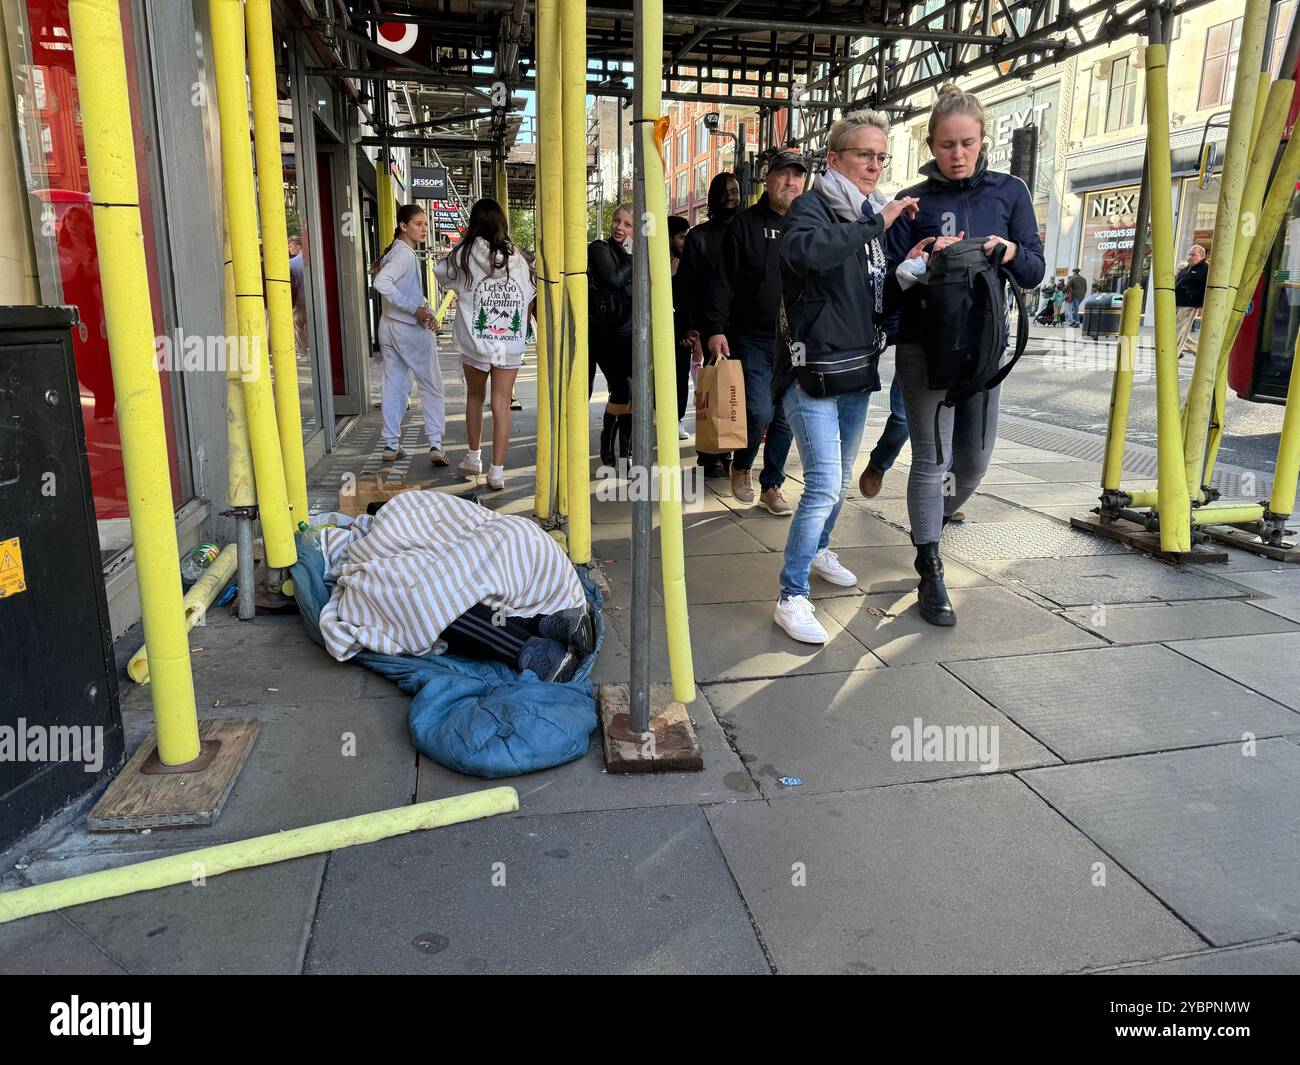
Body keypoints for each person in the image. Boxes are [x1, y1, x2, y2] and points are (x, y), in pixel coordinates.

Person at [886, 83, 1045, 627]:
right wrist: (912, 261)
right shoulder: (913, 200)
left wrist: (1009, 251)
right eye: (947, 144)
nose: (957, 154)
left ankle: (938, 514)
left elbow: (1035, 269)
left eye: (967, 143)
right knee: (931, 459)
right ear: (931, 143)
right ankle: (929, 564)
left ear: (983, 141)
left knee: (972, 461)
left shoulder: (1010, 192)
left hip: (982, 348)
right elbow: (889, 285)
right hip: (923, 345)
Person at [774, 113, 918, 644]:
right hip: (810, 370)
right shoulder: (813, 208)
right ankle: (791, 595)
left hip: (856, 369)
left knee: (836, 485)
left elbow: (871, 294)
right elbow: (804, 253)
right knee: (824, 485)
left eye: (881, 156)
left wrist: (911, 269)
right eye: (864, 155)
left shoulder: (866, 214)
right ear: (833, 160)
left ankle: (818, 550)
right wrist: (877, 224)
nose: (875, 165)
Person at [703, 152, 804, 515]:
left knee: (788, 416)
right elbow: (722, 281)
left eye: (798, 176)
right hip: (752, 336)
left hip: (796, 340)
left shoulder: (808, 224)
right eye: (784, 175)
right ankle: (742, 464)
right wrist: (714, 328)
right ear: (768, 178)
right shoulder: (743, 225)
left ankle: (772, 486)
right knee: (759, 410)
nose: (791, 182)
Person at [434, 197, 535, 491]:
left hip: (475, 344)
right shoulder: (518, 258)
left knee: (475, 398)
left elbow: (440, 273)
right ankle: (497, 471)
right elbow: (529, 293)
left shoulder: (462, 255)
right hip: (509, 344)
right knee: (502, 405)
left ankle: (473, 457)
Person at [370, 204, 448, 465]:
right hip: (407, 328)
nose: (424, 228)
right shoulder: (404, 255)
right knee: (431, 385)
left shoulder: (395, 252)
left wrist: (422, 308)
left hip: (388, 327)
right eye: (418, 223)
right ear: (404, 226)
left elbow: (400, 288)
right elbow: (381, 283)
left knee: (394, 385)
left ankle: (391, 444)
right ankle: (436, 443)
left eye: (425, 224)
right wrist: (414, 310)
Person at [677, 172, 742, 477]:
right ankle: (708, 451)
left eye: (736, 190)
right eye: (726, 191)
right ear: (714, 196)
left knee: (733, 391)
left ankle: (729, 446)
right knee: (710, 390)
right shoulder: (699, 237)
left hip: (740, 324)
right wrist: (691, 329)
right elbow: (687, 286)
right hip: (707, 324)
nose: (731, 196)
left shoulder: (745, 229)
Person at [588, 203, 635, 466]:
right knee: (621, 391)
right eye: (618, 221)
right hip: (605, 333)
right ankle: (608, 440)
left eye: (627, 224)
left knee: (633, 393)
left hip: (630, 333)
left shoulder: (637, 255)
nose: (620, 227)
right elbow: (613, 279)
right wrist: (631, 256)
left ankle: (625, 450)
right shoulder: (599, 249)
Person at [669, 214, 695, 441]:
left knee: (679, 375)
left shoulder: (688, 263)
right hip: (657, 331)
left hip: (681, 331)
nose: (684, 241)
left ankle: (676, 417)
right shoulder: (652, 264)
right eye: (680, 237)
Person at [1175, 244, 1208, 357]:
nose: (1190, 257)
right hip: (1178, 302)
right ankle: (1201, 353)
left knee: (1178, 331)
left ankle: (1175, 354)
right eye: (1189, 254)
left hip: (1189, 304)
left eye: (1193, 255)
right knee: (1180, 331)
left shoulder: (1205, 269)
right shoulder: (1186, 268)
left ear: (1202, 256)